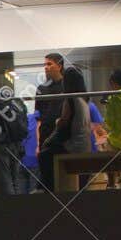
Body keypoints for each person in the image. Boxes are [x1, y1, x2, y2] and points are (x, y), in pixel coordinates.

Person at [37, 56, 92, 190]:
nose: (46, 67)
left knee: (45, 156)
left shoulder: (70, 99)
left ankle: (50, 191)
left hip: (71, 145)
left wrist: (49, 139)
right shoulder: (83, 99)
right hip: (82, 145)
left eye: (49, 64)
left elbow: (63, 123)